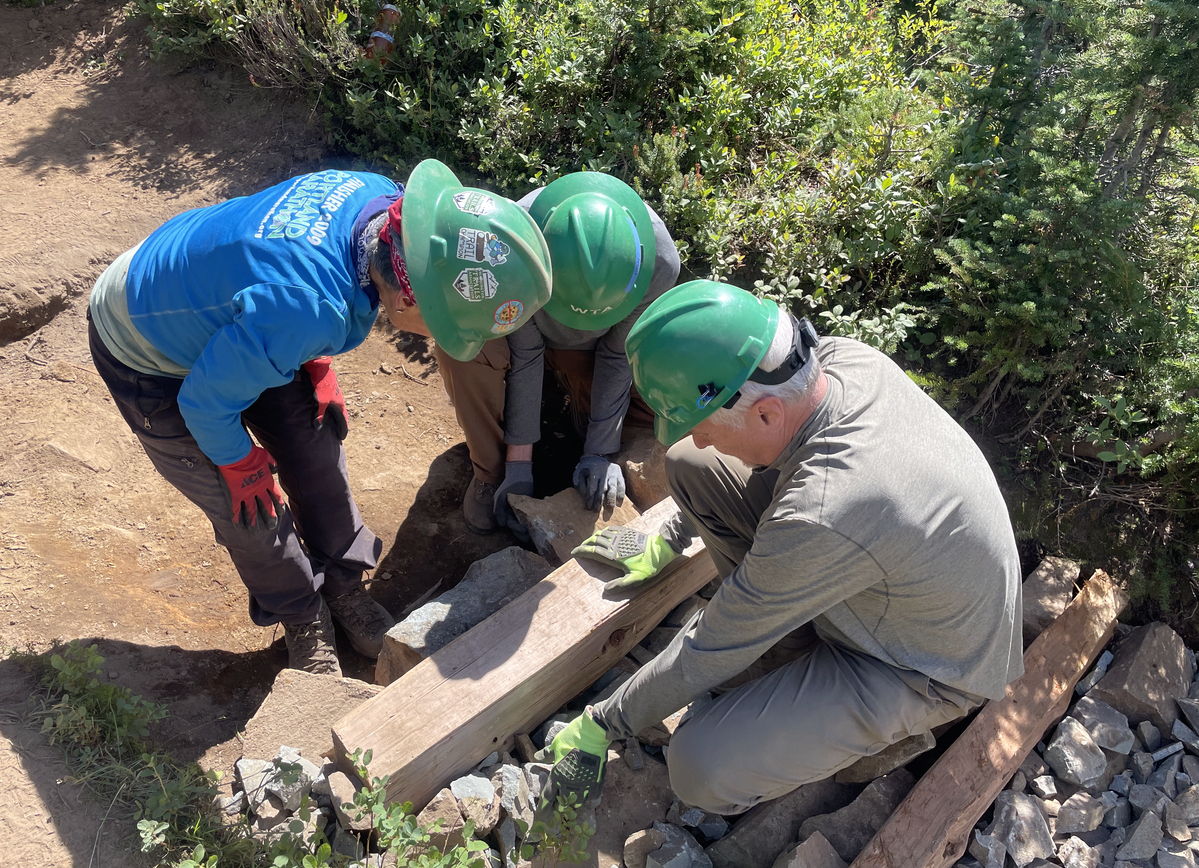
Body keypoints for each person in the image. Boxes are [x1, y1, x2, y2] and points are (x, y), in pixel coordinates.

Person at [540, 280, 1024, 815]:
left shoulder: (825, 509)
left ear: (768, 413)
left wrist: (603, 721)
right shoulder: (837, 361)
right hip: (898, 578)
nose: (699, 436)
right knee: (691, 466)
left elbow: (712, 644)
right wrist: (669, 541)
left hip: (921, 662)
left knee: (700, 768)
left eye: (704, 424)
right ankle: (782, 646)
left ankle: (826, 694)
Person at [87, 160, 552, 676]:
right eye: (440, 325)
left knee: (315, 446)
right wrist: (241, 464)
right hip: (145, 341)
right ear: (406, 296)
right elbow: (204, 403)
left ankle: (343, 586)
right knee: (248, 504)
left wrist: (313, 356)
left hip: (240, 305)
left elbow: (294, 269)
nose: (434, 338)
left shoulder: (382, 205)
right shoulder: (308, 307)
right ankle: (304, 617)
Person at [435, 172, 680, 536]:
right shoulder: (513, 244)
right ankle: (491, 472)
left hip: (596, 352)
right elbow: (526, 351)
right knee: (463, 345)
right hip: (529, 340)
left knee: (668, 367)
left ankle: (583, 424)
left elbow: (617, 355)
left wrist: (600, 451)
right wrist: (518, 465)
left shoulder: (657, 262)